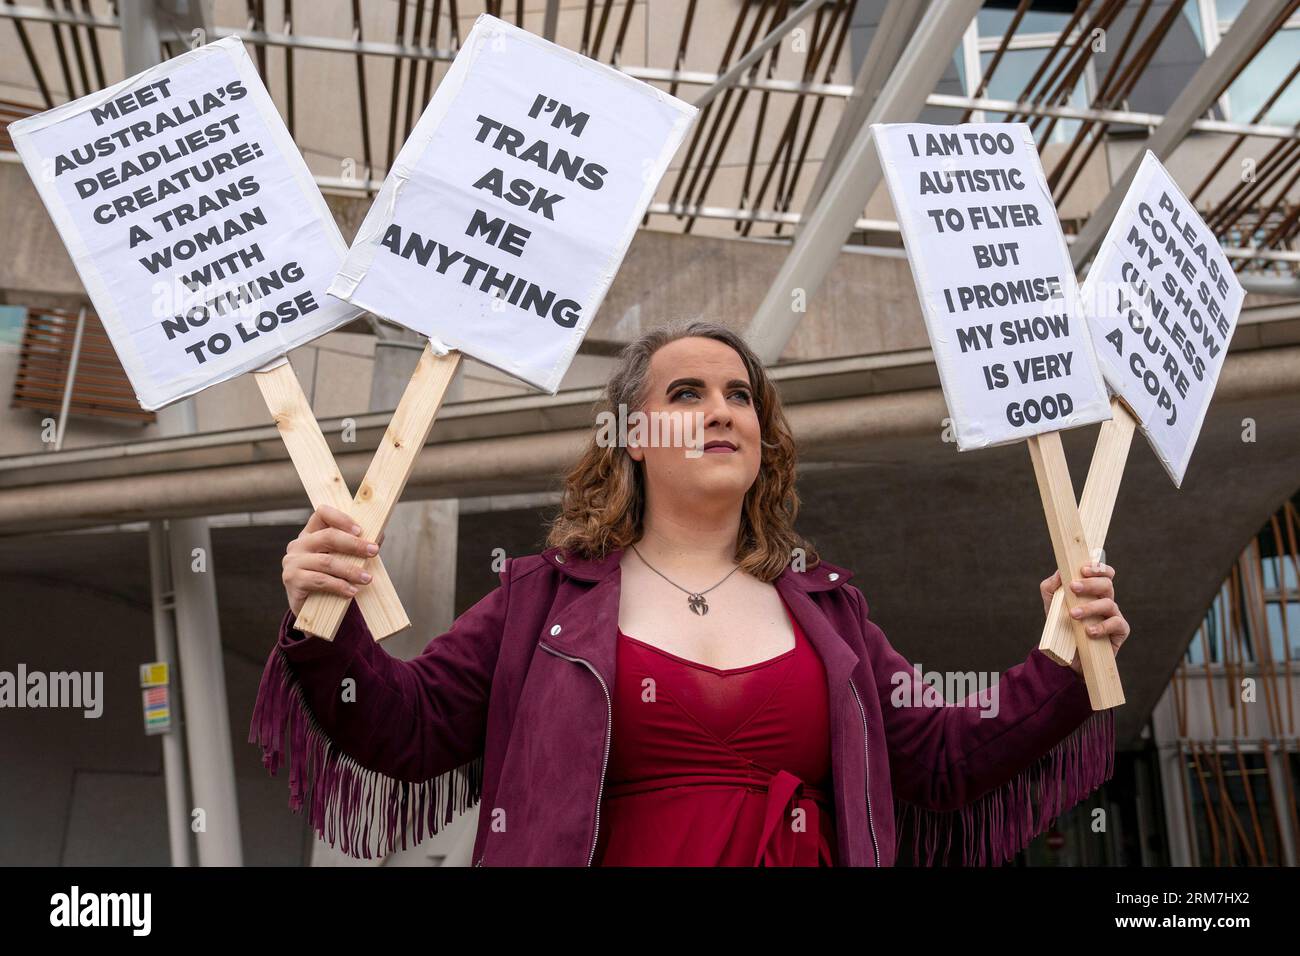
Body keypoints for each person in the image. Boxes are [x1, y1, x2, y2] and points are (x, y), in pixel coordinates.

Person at [251, 321, 1128, 866]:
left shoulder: (831, 613)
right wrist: (325, 616)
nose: (723, 410)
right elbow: (400, 726)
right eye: (688, 393)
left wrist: (1063, 649)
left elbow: (942, 759)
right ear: (633, 435)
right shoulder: (540, 600)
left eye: (740, 396)